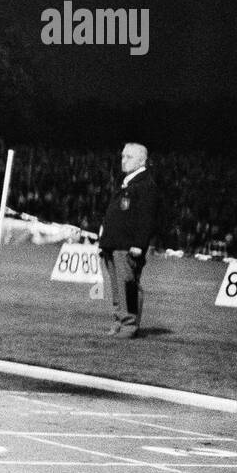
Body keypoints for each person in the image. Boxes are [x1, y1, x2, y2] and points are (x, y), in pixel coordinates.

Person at [97, 143, 159, 338]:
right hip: (113, 244)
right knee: (117, 288)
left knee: (128, 286)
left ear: (142, 161)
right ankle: (119, 321)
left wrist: (139, 244)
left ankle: (129, 325)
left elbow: (147, 218)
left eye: (129, 157)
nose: (123, 160)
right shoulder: (127, 182)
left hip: (127, 246)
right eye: (123, 156)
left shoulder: (145, 185)